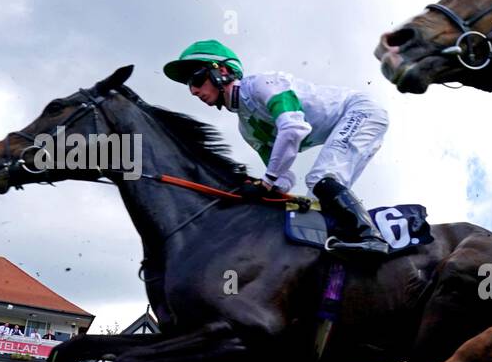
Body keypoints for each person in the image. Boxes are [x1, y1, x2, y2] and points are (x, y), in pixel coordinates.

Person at [163, 39, 390, 257]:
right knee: (315, 204)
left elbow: (293, 129)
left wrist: (267, 182)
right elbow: (284, 178)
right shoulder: (247, 129)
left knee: (321, 179)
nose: (192, 91)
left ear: (221, 71)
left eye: (196, 80)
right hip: (349, 122)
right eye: (188, 86)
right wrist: (256, 190)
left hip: (360, 111)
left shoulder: (263, 85)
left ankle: (371, 238)